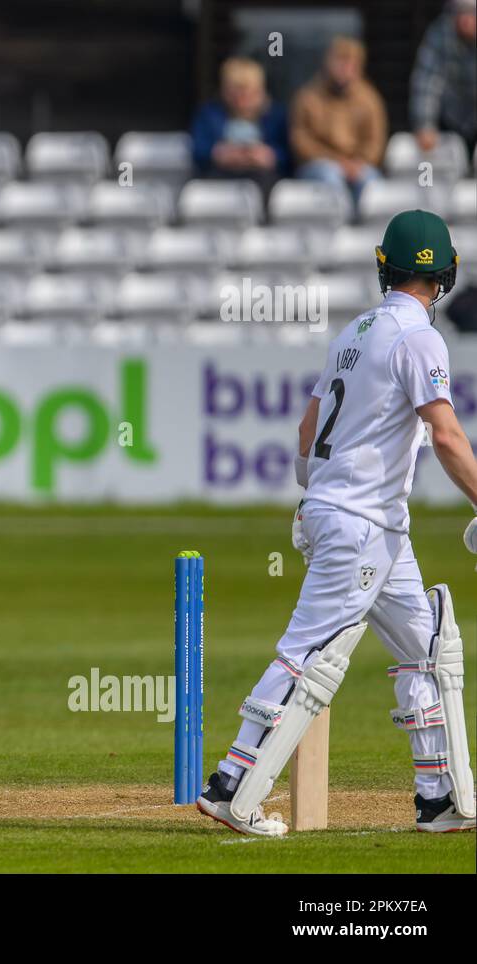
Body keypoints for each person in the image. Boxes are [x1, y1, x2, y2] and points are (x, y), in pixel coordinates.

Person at [196, 210, 477, 836]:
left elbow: (306, 431)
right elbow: (447, 434)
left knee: (427, 651)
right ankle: (232, 785)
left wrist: (316, 497)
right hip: (360, 524)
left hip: (369, 522)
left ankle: (437, 799)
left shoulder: (354, 333)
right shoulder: (419, 337)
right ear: (446, 272)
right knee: (309, 654)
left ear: (385, 265)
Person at [290, 36, 387, 206]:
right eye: (340, 62)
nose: (345, 68)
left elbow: (375, 141)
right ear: (327, 63)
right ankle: (342, 227)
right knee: (330, 176)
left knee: (371, 181)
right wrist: (336, 161)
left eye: (351, 63)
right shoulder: (308, 96)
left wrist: (359, 162)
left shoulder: (369, 99)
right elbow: (300, 140)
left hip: (359, 164)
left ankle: (364, 229)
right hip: (318, 165)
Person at [190, 57, 290, 195]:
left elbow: (289, 152)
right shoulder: (209, 114)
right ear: (224, 91)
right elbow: (198, 150)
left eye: (248, 93)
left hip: (263, 178)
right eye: (235, 93)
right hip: (220, 177)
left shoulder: (276, 115)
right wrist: (218, 154)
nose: (242, 99)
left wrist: (269, 156)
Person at [411, 0, 477, 157]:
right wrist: (425, 124)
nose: (465, 19)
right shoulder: (439, 34)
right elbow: (426, 82)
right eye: (459, 12)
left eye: (471, 12)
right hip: (450, 119)